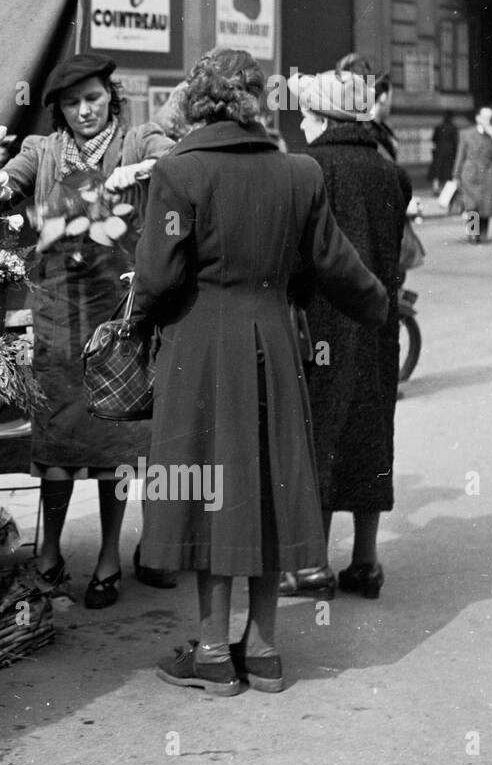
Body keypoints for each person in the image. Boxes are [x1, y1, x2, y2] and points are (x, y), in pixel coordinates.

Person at [132, 48, 388, 695]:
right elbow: (333, 264)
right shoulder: (299, 173)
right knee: (270, 488)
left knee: (207, 491)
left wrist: (138, 320)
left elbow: (158, 278)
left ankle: (214, 653)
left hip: (198, 351)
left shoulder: (177, 171)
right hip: (274, 345)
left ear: (198, 100)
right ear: (257, 101)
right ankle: (267, 651)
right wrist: (377, 305)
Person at [0, 54, 175, 607]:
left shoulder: (137, 139)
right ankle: (48, 554)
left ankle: (107, 558)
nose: (84, 110)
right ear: (60, 110)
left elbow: (175, 161)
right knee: (56, 438)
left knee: (115, 437)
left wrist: (139, 171)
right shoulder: (42, 152)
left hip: (115, 312)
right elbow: (3, 188)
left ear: (110, 96)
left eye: (93, 98)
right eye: (72, 103)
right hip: (57, 316)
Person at [279, 73, 410, 602]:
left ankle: (312, 567)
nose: (303, 124)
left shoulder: (312, 169)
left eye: (308, 115)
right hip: (379, 323)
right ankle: (366, 562)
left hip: (324, 324)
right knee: (374, 437)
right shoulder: (391, 174)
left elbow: (301, 256)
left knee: (322, 438)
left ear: (326, 119)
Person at [451, 106, 492, 242]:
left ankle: (482, 234)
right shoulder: (466, 133)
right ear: (478, 118)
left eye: (490, 118)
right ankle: (472, 234)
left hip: (488, 175)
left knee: (486, 206)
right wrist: (455, 175)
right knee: (472, 206)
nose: (487, 120)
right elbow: (460, 155)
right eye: (484, 117)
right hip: (470, 174)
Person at [428, 114, 458, 194]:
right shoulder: (453, 128)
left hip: (439, 150)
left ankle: (436, 187)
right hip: (450, 151)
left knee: (437, 170)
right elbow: (456, 141)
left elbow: (433, 139)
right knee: (447, 171)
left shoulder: (438, 127)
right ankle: (445, 191)